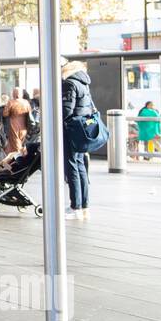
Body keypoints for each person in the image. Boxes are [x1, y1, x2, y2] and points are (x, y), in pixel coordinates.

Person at [61, 60, 95, 219]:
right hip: (82, 129)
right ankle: (84, 207)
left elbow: (67, 109)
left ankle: (75, 207)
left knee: (72, 167)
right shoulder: (84, 83)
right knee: (81, 167)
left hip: (71, 130)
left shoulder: (70, 83)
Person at [3, 88, 33, 155]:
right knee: (20, 144)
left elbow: (5, 114)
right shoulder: (26, 102)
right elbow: (30, 113)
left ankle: (19, 161)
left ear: (14, 93)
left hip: (14, 125)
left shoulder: (11, 102)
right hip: (24, 126)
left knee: (16, 146)